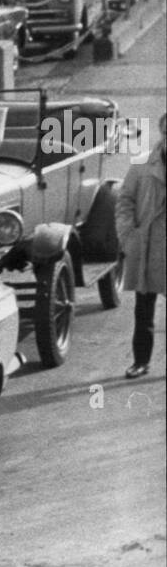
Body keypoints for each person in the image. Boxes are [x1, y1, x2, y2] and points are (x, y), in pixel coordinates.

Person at [116, 111, 166, 379]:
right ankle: (141, 361)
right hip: (148, 247)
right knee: (143, 310)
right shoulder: (142, 165)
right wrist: (127, 236)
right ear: (162, 134)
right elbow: (124, 201)